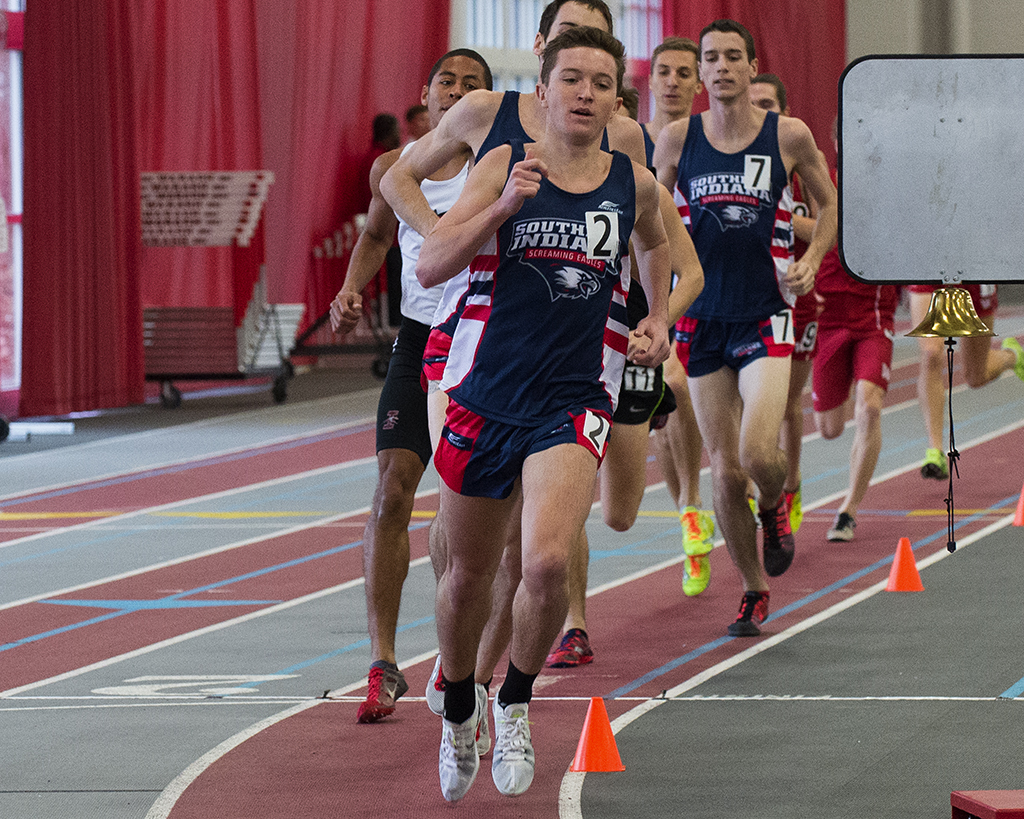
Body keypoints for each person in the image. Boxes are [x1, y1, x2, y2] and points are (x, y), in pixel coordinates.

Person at [416, 27, 670, 801]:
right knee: (465, 578)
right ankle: (460, 705)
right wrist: (503, 208)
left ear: (617, 99)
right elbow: (432, 262)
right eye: (573, 80)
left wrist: (658, 314)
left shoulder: (634, 183)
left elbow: (659, 248)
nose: (586, 93)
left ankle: (515, 698)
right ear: (546, 91)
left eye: (601, 82)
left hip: (572, 398)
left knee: (548, 560)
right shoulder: (504, 163)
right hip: (487, 393)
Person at [382, 0, 649, 691]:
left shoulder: (623, 138)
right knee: (471, 538)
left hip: (566, 348)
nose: (584, 76)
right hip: (460, 333)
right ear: (542, 53)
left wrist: (646, 318)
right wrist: (448, 225)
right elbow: (395, 178)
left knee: (538, 550)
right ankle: (458, 652)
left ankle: (497, 682)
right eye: (569, 49)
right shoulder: (485, 116)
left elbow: (637, 234)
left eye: (600, 57)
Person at [653, 19, 837, 637]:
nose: (723, 67)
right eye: (712, 58)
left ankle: (775, 505)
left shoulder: (787, 135)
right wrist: (659, 303)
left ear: (752, 67)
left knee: (761, 453)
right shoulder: (678, 140)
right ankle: (753, 589)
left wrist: (810, 260)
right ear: (701, 71)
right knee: (724, 470)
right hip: (703, 321)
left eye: (734, 57)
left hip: (765, 312)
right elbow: (653, 226)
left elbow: (830, 202)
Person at [328, 48, 493, 724]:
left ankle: (460, 655)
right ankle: (382, 660)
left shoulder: (498, 162)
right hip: (418, 340)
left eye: (470, 84)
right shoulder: (394, 169)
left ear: (488, 99)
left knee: (462, 507)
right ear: (424, 95)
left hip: (479, 343)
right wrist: (349, 288)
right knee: (393, 489)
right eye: (445, 82)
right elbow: (374, 236)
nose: (455, 92)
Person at [642, 35, 718, 597]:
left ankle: (694, 506)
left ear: (698, 83)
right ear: (650, 80)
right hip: (634, 294)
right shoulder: (627, 139)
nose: (671, 81)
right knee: (663, 420)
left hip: (694, 290)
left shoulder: (706, 140)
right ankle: (690, 508)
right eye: (663, 70)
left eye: (682, 72)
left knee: (677, 388)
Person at [811, 120, 899, 542]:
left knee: (870, 406)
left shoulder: (891, 189)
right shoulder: (818, 182)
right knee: (828, 428)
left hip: (872, 316)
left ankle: (849, 508)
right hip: (826, 317)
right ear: (835, 140)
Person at [749, 72, 825, 533]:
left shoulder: (798, 160)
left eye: (769, 105)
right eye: (754, 104)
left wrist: (777, 222)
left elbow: (827, 228)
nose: (761, 113)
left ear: (785, 111)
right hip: (749, 296)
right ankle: (756, 486)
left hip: (798, 293)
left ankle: (791, 482)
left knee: (789, 403)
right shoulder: (734, 156)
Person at [909, 284, 1024, 479]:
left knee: (976, 376)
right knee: (931, 353)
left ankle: (1011, 356)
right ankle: (935, 451)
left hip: (973, 274)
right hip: (931, 271)